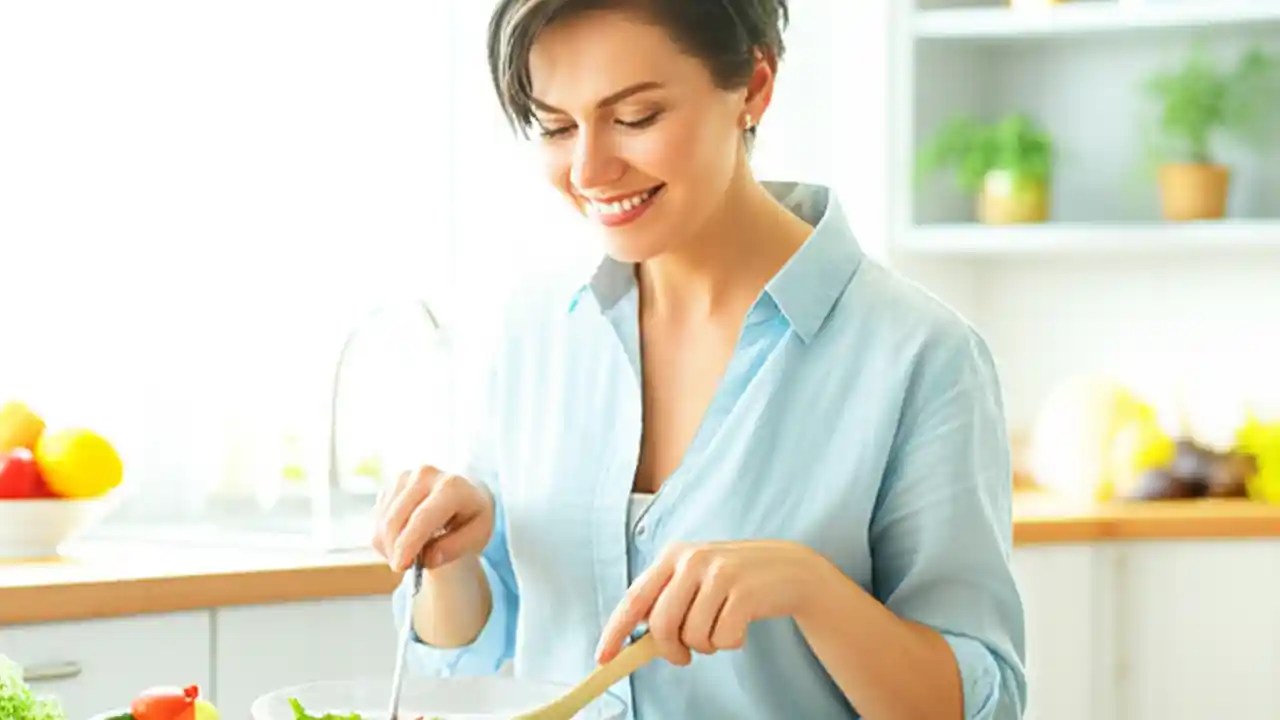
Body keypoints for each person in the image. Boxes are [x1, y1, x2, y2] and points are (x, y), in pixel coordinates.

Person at [372, 1, 1027, 717]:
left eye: (636, 118)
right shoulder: (537, 332)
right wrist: (451, 559)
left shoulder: (919, 357)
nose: (589, 168)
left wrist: (809, 587)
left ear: (752, 87)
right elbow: (477, 658)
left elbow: (976, 702)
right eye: (557, 127)